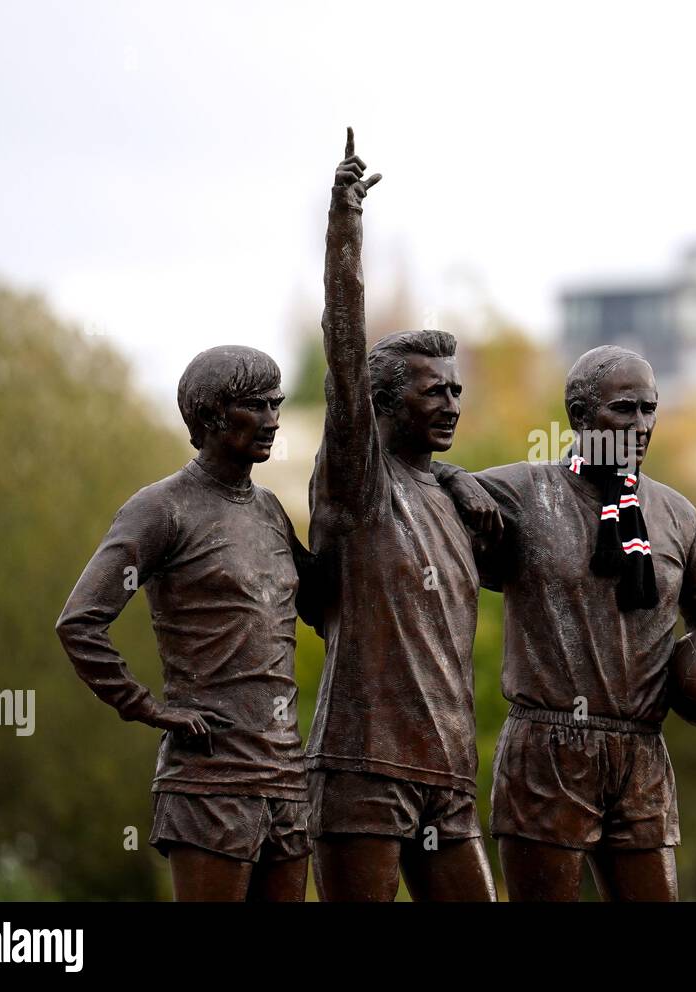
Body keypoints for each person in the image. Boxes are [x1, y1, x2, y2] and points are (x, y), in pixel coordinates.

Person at [434, 345, 696, 901]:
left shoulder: (676, 515)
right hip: (547, 750)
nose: (641, 424)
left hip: (641, 757)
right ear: (579, 415)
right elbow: (416, 483)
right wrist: (454, 476)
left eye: (650, 408)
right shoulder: (523, 491)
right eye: (624, 408)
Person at [305, 128, 499, 901]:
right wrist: (345, 229)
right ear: (384, 402)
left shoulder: (452, 495)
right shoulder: (357, 479)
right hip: (363, 767)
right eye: (434, 391)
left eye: (456, 389)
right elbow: (344, 345)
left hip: (447, 773)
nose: (452, 402)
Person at [56, 345, 318, 901]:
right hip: (209, 785)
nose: (272, 419)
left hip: (287, 780)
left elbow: (324, 603)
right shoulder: (161, 509)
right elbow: (80, 622)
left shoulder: (270, 509)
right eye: (256, 406)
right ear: (209, 417)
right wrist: (146, 706)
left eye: (277, 403)